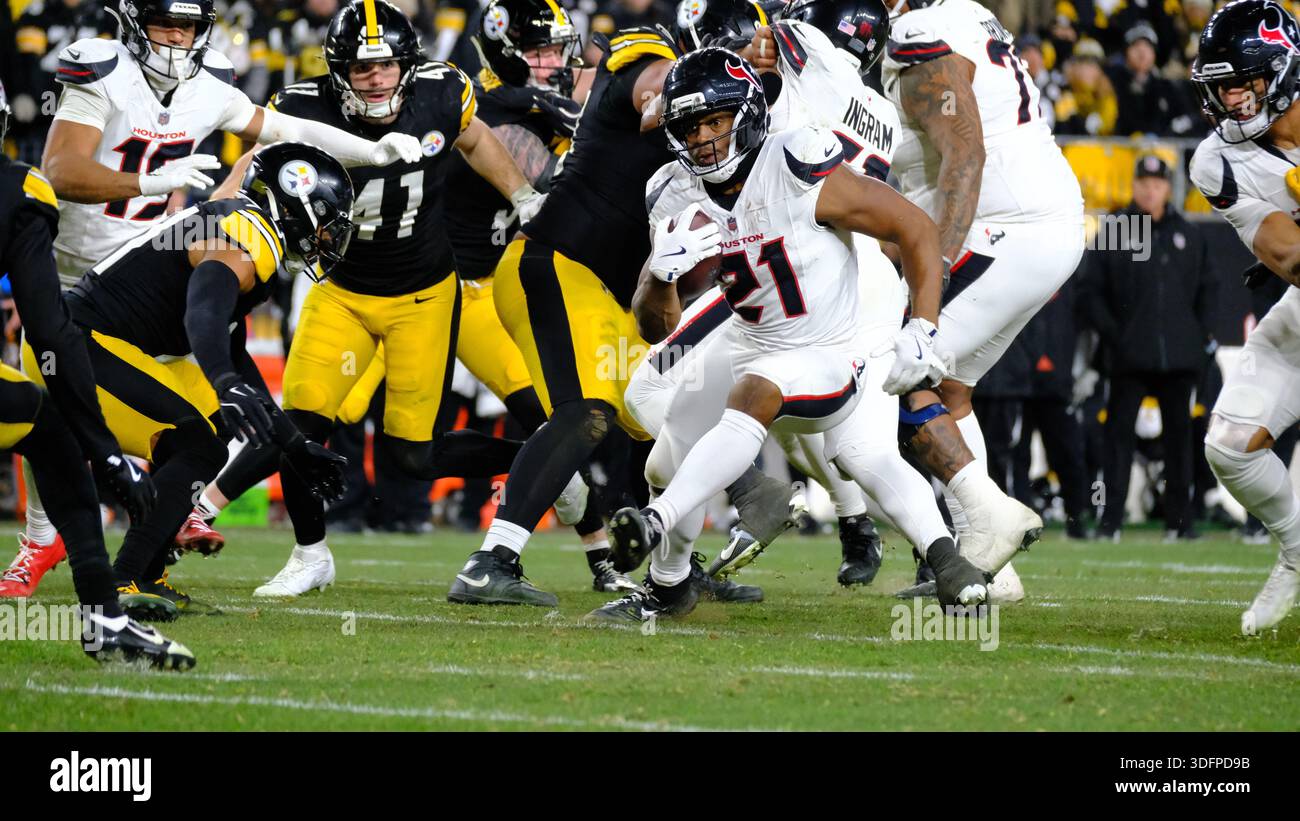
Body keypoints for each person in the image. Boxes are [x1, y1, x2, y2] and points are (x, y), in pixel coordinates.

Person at [6, 0, 423, 594]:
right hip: (75, 273)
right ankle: (67, 554)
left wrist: (372, 149)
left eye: (189, 26)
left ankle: (142, 567)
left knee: (207, 431)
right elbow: (61, 171)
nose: (177, 38)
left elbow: (289, 132)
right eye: (165, 24)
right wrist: (150, 181)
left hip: (142, 269)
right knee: (57, 425)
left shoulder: (212, 93)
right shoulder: (105, 71)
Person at [594, 47, 990, 621]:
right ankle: (669, 587)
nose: (703, 139)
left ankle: (655, 523)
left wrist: (924, 327)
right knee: (668, 456)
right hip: (751, 336)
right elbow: (657, 326)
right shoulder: (671, 192)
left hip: (828, 345)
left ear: (747, 114)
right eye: (690, 127)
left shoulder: (795, 161)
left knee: (815, 425)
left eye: (715, 121)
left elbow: (915, 228)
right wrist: (660, 276)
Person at [25, 141, 353, 614]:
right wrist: (222, 380)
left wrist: (295, 446)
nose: (327, 237)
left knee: (213, 428)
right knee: (198, 445)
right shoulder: (250, 237)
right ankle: (123, 582)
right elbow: (203, 311)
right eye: (326, 222)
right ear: (296, 207)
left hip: (92, 342)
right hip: (77, 345)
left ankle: (148, 573)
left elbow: (233, 353)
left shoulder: (241, 224)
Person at [880, 0, 1086, 597]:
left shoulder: (917, 33)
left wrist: (935, 270)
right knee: (948, 388)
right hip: (1038, 223)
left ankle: (986, 520)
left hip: (1003, 226)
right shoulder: (965, 13)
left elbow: (965, 151)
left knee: (888, 368)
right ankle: (993, 568)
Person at [0, 80, 193, 667]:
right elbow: (52, 334)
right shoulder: (21, 189)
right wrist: (104, 452)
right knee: (53, 432)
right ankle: (104, 620)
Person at [1187, 0, 1300, 634]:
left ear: (1280, 70)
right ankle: (1298, 551)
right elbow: (1289, 257)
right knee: (1231, 447)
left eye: (1242, 81)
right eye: (1220, 85)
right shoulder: (1217, 160)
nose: (1229, 98)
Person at [1085, 154, 1216, 542]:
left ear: (1168, 188)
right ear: (1134, 185)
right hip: (1128, 357)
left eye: (1157, 184)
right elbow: (1091, 290)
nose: (1150, 190)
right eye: (1143, 183)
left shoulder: (1188, 233)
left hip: (1178, 358)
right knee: (1117, 441)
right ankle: (1110, 521)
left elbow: (1209, 290)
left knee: (1180, 441)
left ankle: (1180, 523)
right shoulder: (1116, 229)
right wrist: (1116, 336)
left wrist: (1197, 337)